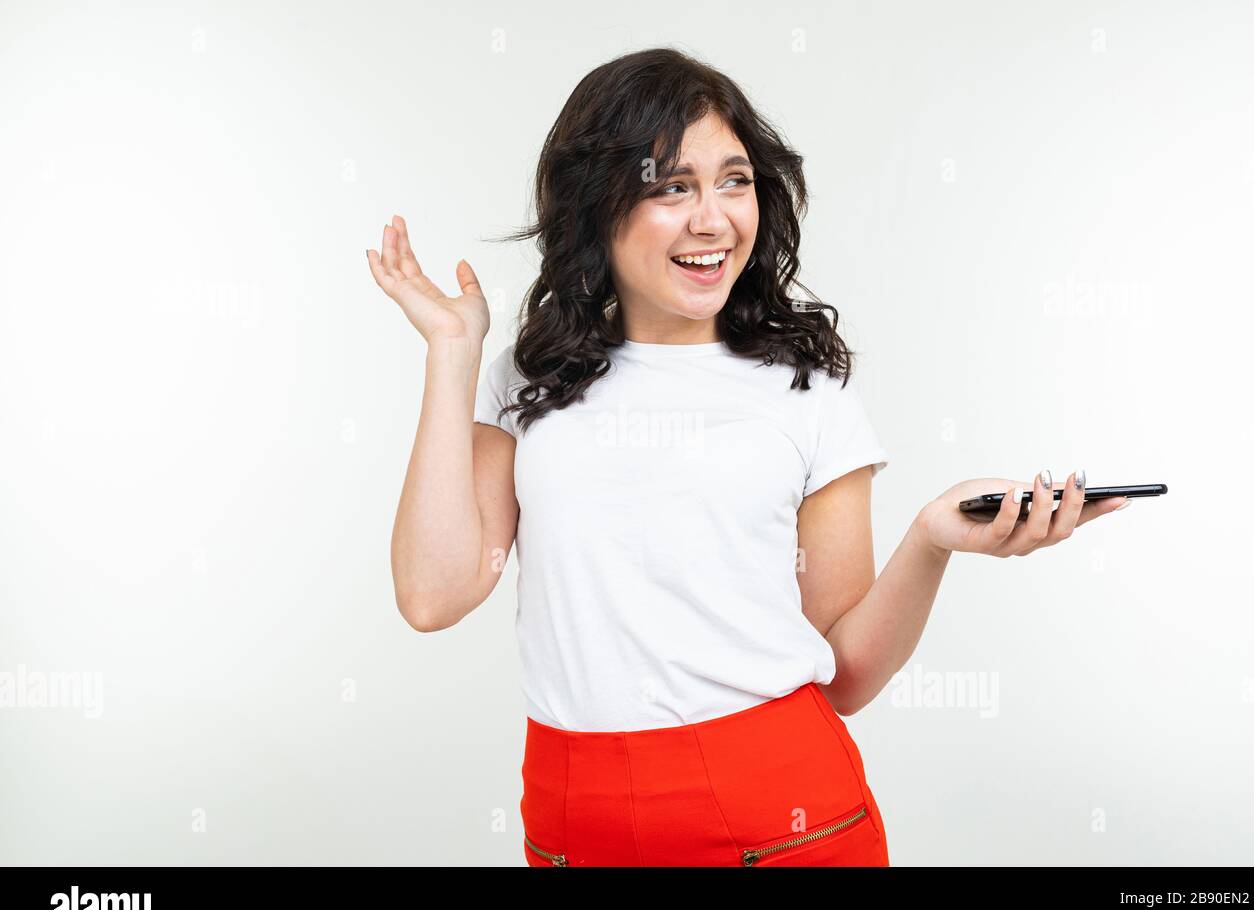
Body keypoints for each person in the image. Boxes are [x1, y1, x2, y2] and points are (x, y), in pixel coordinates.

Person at [366, 48, 1130, 867]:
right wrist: (453, 351)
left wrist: (932, 538)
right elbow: (432, 593)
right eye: (671, 187)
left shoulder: (806, 388)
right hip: (569, 823)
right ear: (597, 206)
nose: (714, 219)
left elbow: (844, 675)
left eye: (735, 181)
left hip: (783, 822)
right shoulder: (530, 378)